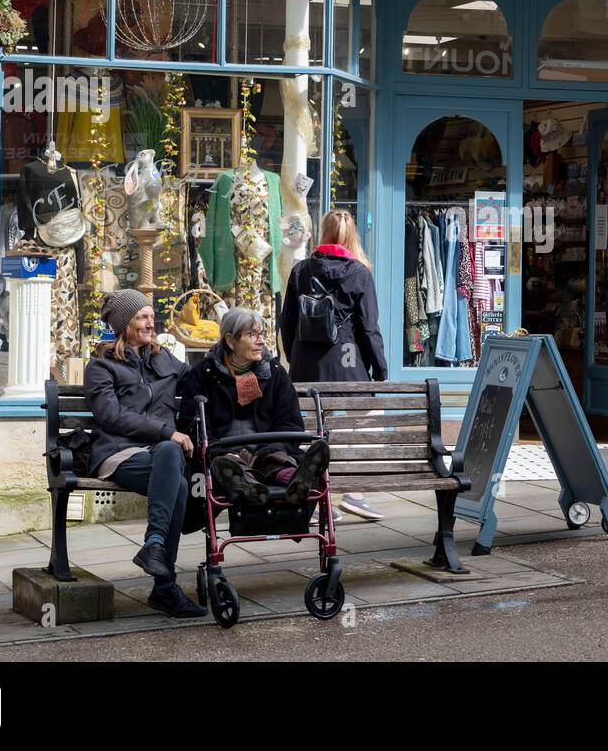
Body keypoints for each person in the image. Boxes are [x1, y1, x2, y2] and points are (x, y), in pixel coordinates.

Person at [85, 289, 204, 619]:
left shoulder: (164, 359)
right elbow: (112, 417)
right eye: (142, 316)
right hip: (119, 454)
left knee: (176, 474)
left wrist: (231, 353)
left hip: (162, 455)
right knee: (173, 465)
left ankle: (154, 546)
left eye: (152, 316)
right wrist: (167, 432)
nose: (151, 322)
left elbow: (200, 381)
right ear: (124, 324)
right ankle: (164, 589)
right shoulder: (101, 367)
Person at [281, 209, 388, 521]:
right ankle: (354, 493)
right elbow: (369, 329)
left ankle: (313, 496)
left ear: (322, 234)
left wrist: (295, 357)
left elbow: (287, 323)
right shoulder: (360, 274)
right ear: (351, 236)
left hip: (306, 367)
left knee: (310, 429)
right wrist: (379, 371)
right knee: (364, 421)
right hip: (348, 364)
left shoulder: (301, 270)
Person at [176, 307, 329, 508]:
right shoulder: (203, 375)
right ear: (231, 341)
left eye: (262, 334)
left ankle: (297, 482)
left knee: (274, 460)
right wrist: (216, 451)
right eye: (252, 334)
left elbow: (290, 424)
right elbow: (191, 428)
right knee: (229, 466)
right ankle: (252, 485)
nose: (261, 341)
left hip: (268, 450)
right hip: (223, 455)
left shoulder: (275, 374)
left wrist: (265, 450)